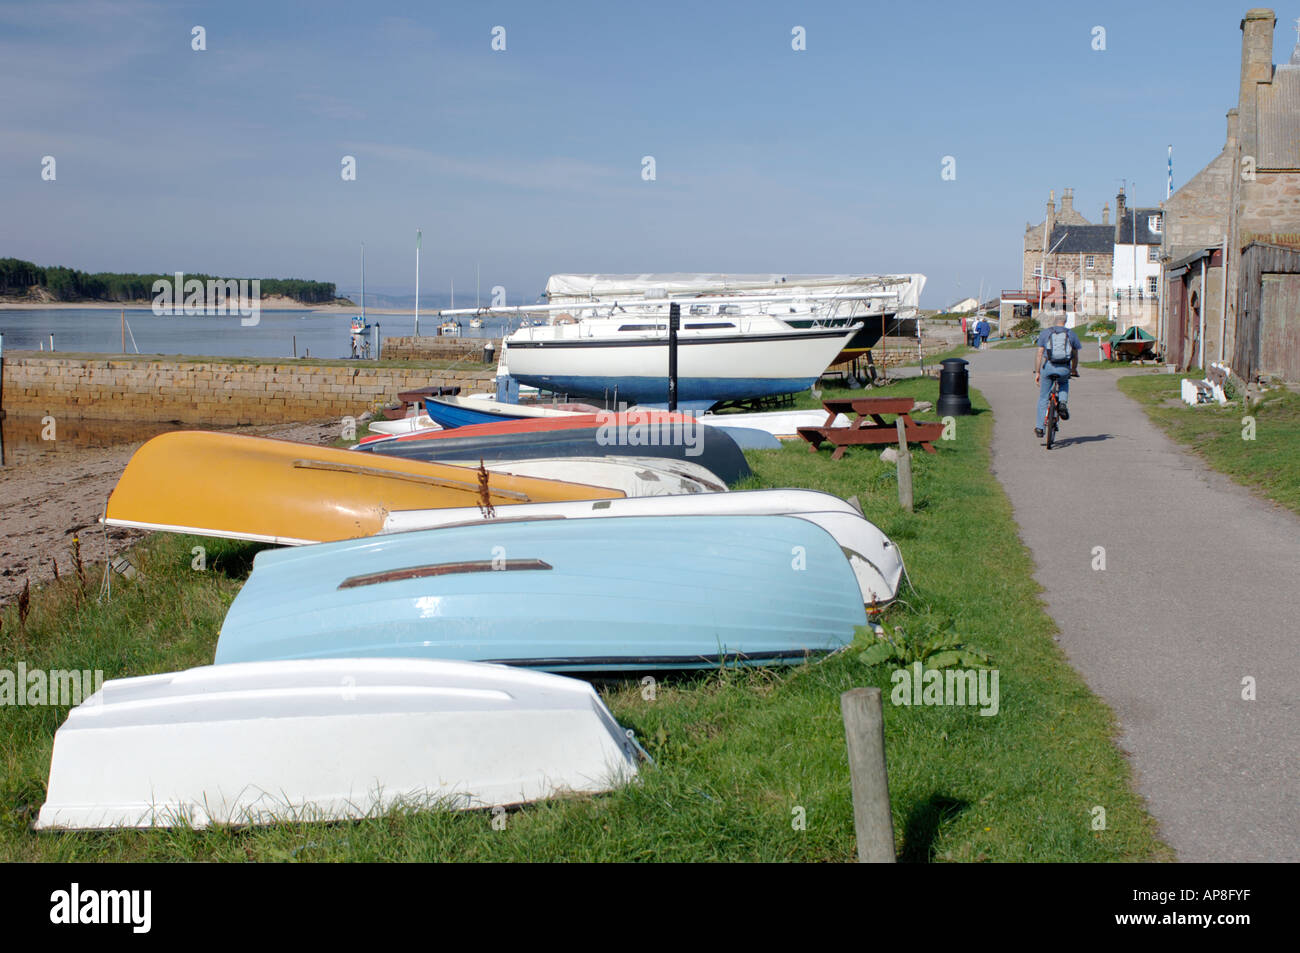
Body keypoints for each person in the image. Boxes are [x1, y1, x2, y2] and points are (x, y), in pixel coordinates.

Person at [1033, 316, 1081, 437]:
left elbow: (1039, 354)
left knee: (1043, 397)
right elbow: (1075, 355)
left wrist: (1037, 371)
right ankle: (1063, 403)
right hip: (1064, 367)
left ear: (1054, 321)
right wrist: (1074, 369)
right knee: (1064, 383)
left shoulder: (1045, 333)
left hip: (1049, 367)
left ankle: (1039, 427)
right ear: (1065, 321)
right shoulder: (1071, 334)